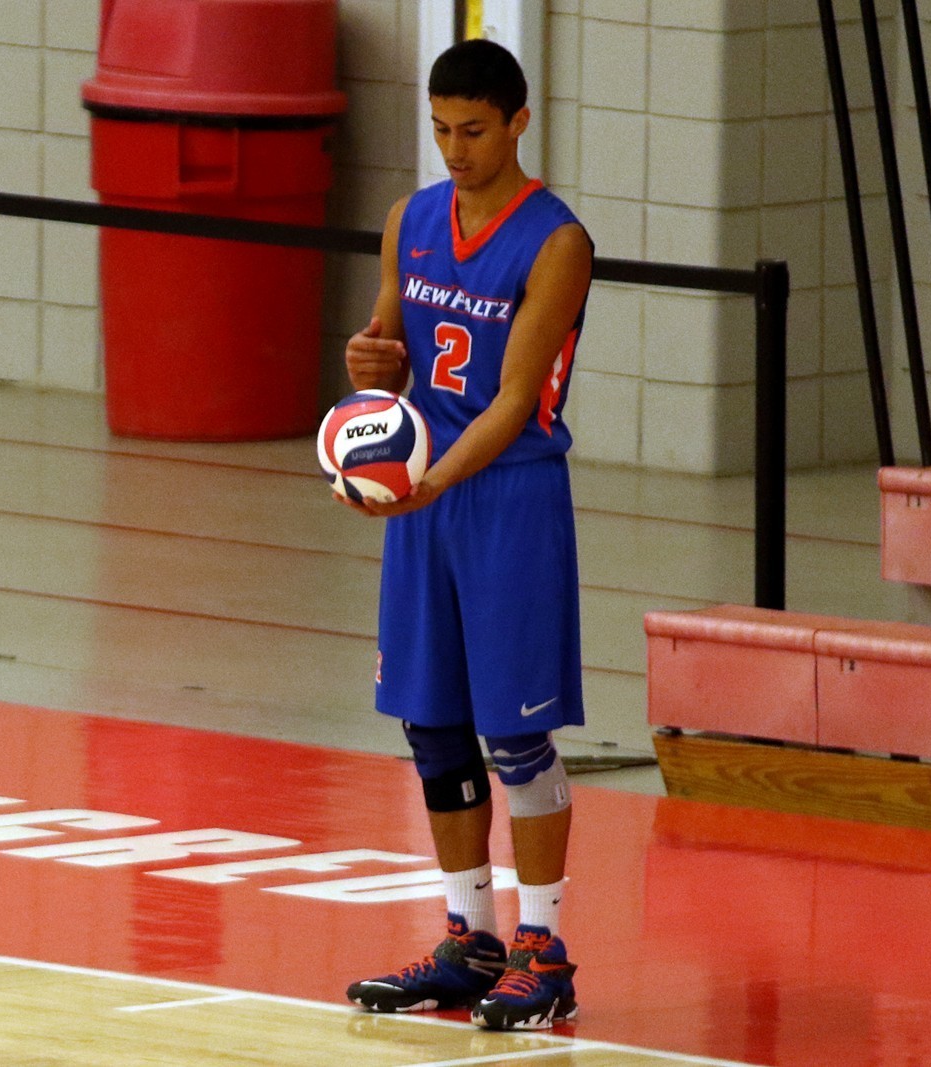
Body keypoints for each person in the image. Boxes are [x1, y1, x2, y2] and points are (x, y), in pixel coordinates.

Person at [337, 38, 593, 1032]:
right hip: (425, 494)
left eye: (474, 130)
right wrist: (367, 369)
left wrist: (426, 480)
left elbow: (517, 398)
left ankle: (545, 947)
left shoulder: (555, 240)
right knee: (432, 725)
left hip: (509, 495)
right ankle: (467, 935)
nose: (455, 149)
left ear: (517, 122)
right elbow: (385, 365)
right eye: (441, 129)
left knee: (515, 732)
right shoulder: (410, 218)